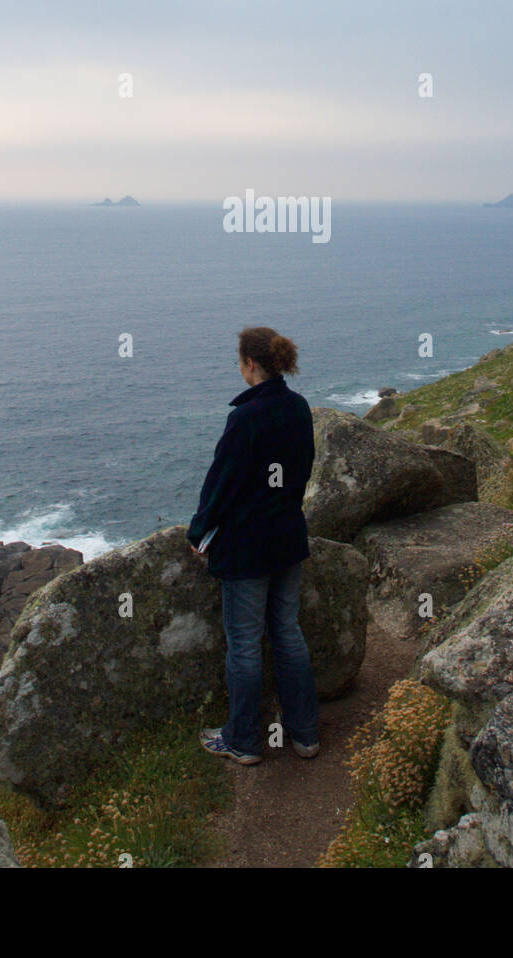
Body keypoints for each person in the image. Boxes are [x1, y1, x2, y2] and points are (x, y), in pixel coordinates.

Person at [187, 326, 320, 766]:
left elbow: (222, 483)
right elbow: (300, 471)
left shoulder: (245, 418)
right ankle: (305, 734)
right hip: (287, 535)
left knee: (244, 642)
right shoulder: (299, 407)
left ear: (249, 364)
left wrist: (199, 532)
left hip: (247, 546)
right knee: (287, 631)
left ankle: (243, 741)